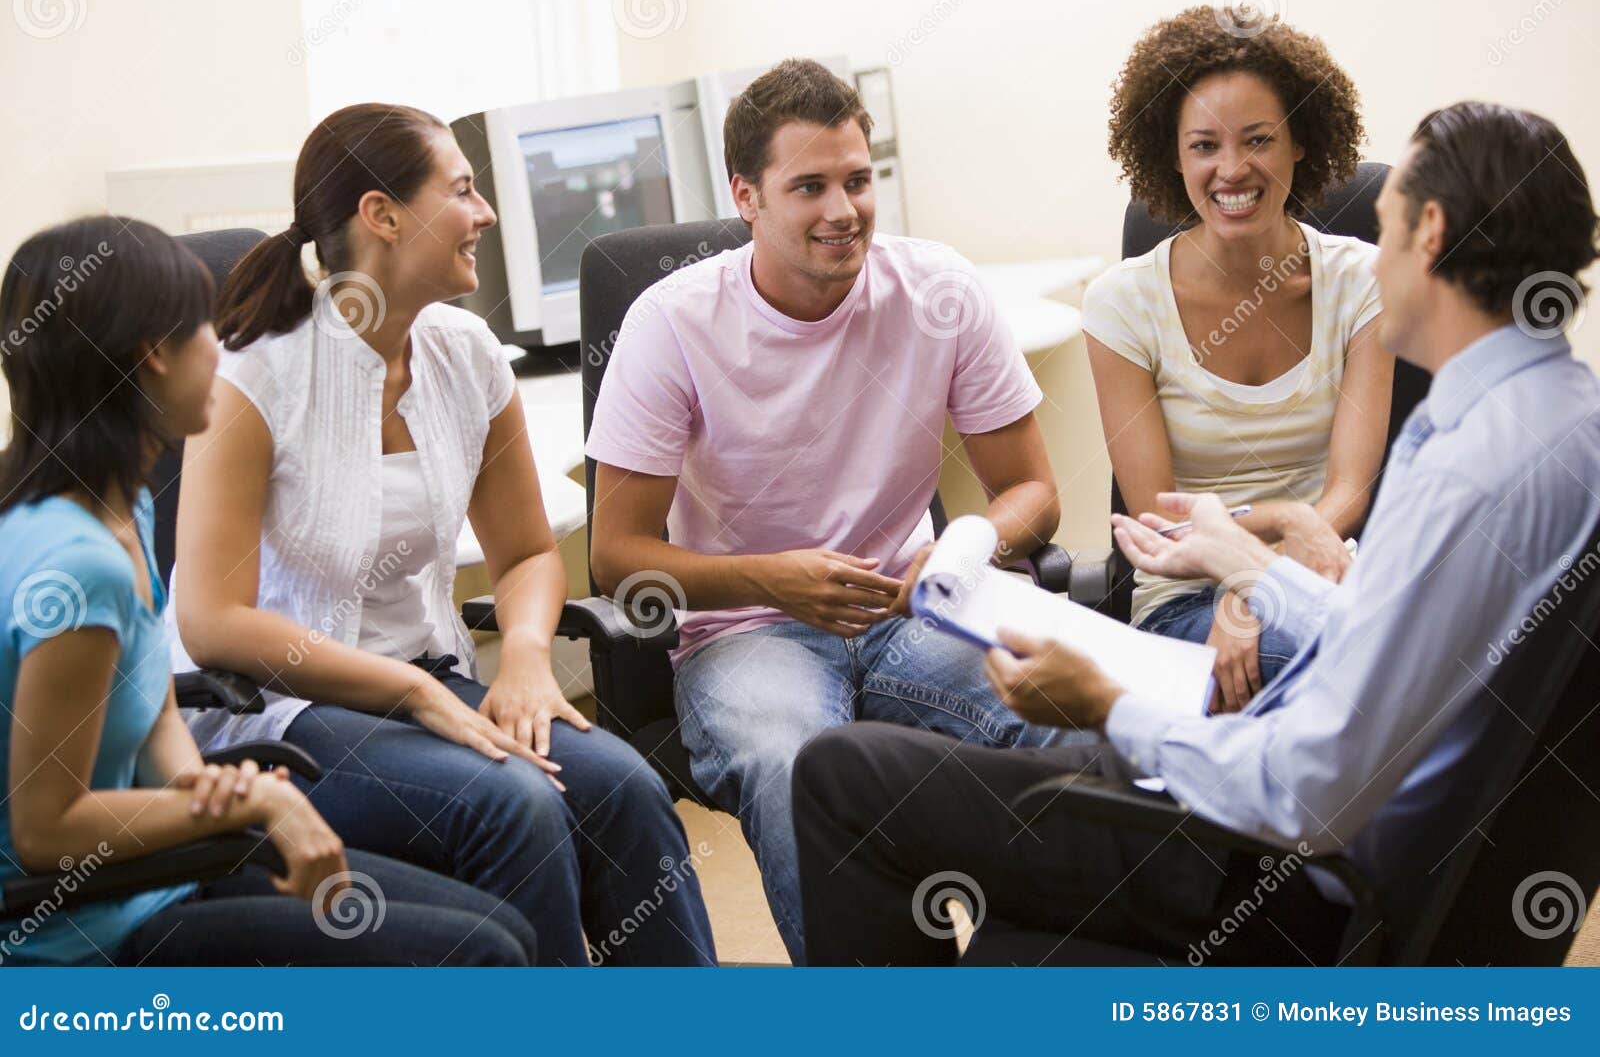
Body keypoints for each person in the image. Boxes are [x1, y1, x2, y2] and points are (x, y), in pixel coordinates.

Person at [794, 101, 1600, 964]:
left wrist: (1108, 704)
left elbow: (1307, 789)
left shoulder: (1469, 471)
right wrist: (1251, 566)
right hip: (1284, 824)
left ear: (1431, 231)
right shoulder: (1557, 420)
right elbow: (1405, 644)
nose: (1376, 248)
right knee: (1007, 920)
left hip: (1258, 868)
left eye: (1390, 218)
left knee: (839, 777)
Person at [167, 104, 715, 967]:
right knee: (516, 801)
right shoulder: (258, 372)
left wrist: (528, 657)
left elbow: (530, 552)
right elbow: (211, 621)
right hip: (281, 710)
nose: (485, 212)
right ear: (381, 215)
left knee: (626, 791)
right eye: (462, 190)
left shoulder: (465, 354)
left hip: (428, 686)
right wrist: (413, 691)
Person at [584, 58, 1064, 961]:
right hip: (749, 631)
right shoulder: (672, 322)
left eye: (857, 179)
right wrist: (775, 579)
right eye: (810, 186)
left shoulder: (941, 290)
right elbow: (616, 554)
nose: (844, 210)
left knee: (1054, 712)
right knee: (794, 767)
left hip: (913, 611)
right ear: (747, 196)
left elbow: (1033, 493)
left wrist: (965, 545)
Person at [0, 217, 536, 966]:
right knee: (483, 956)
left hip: (159, 872)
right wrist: (258, 801)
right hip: (85, 937)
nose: (221, 350)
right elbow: (45, 828)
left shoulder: (120, 507)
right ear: (153, 357)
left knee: (505, 934)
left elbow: (153, 712)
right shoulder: (77, 565)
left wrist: (208, 789)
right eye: (204, 330)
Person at [1084, 7, 1394, 711]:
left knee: (1421, 657)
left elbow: (1349, 491)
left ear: (1301, 145)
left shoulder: (1363, 282)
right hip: (1186, 601)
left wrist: (1265, 580)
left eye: (1259, 140)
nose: (1232, 169)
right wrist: (1274, 534)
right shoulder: (1120, 304)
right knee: (1340, 675)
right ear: (1173, 156)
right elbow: (1161, 523)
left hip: (1323, 578)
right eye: (1204, 146)